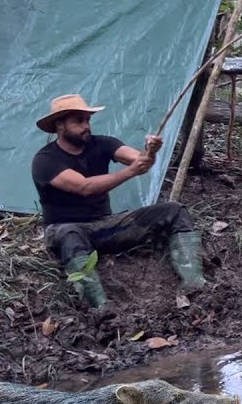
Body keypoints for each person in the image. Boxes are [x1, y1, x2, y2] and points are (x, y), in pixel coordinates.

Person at [30, 94, 205, 309]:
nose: (86, 126)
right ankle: (101, 308)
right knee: (70, 234)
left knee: (174, 211)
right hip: (65, 230)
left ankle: (195, 283)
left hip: (105, 227)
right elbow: (84, 187)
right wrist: (131, 171)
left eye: (87, 120)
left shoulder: (102, 143)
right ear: (59, 125)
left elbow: (139, 160)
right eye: (78, 121)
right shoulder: (45, 159)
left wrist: (150, 151)